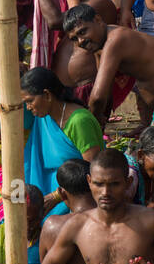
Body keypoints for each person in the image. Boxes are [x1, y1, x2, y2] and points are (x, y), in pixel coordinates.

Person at [68, 4, 154, 176]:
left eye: (82, 32)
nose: (81, 41)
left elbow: (97, 98)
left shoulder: (115, 39)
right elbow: (106, 92)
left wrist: (90, 128)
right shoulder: (101, 46)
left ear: (98, 20)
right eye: (74, 39)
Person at [37, 148, 154, 264]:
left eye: (114, 184)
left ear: (128, 183)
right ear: (89, 181)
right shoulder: (77, 225)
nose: (105, 192)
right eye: (99, 184)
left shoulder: (151, 221)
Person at [20, 66, 103, 211]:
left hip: (76, 198)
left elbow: (92, 170)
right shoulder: (43, 118)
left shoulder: (79, 121)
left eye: (30, 101)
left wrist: (57, 196)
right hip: (47, 193)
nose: (27, 107)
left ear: (47, 95)